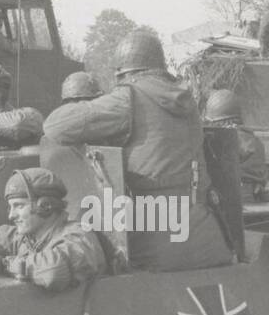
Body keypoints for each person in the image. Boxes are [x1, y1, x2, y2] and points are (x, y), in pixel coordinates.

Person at [42, 29, 234, 272]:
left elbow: (55, 127)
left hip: (157, 245)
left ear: (124, 72)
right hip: (208, 239)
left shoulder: (128, 97)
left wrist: (86, 102)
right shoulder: (186, 99)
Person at [0, 167, 107, 292]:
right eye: (11, 207)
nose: (11, 215)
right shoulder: (27, 237)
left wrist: (4, 263)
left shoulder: (78, 236)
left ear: (45, 206)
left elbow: (53, 269)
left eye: (19, 206)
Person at [202, 88, 267, 201]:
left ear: (221, 121)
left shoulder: (227, 140)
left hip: (231, 197)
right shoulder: (253, 139)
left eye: (212, 123)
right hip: (251, 195)